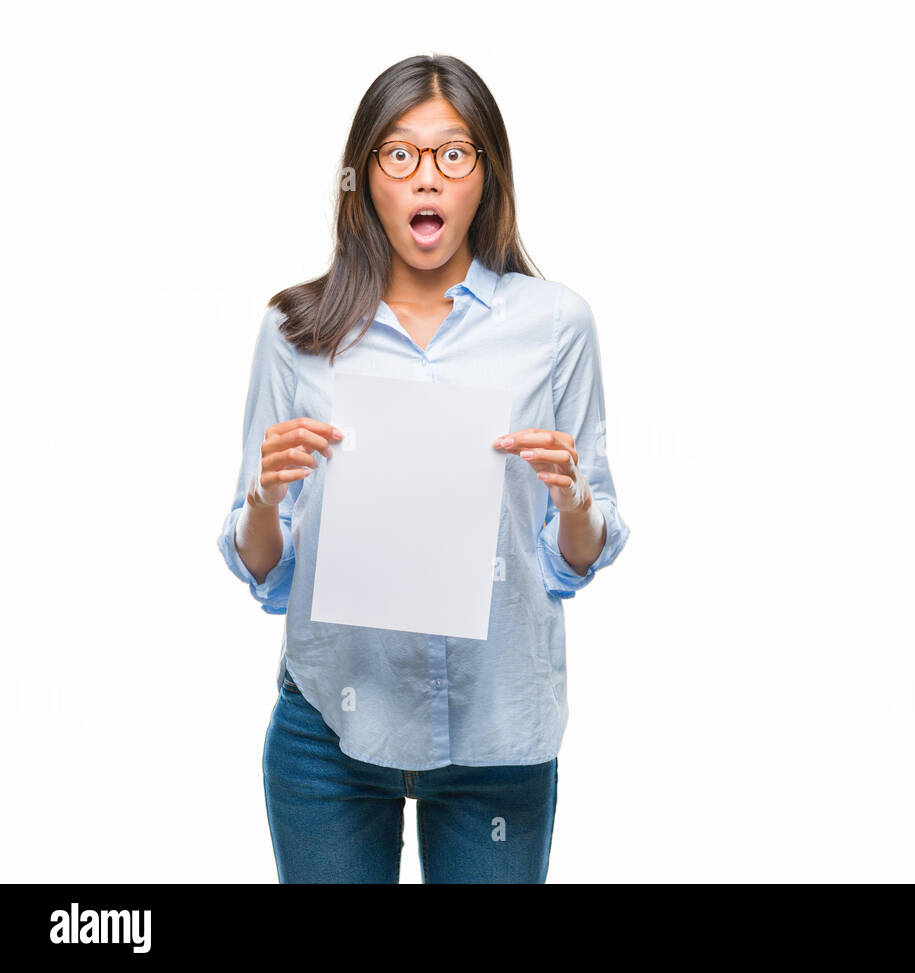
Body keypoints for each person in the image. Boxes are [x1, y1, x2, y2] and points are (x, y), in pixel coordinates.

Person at [215, 53, 630, 883]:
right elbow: (265, 571)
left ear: (487, 175)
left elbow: (576, 554)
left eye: (454, 154)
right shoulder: (296, 331)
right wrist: (264, 497)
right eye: (399, 155)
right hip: (330, 733)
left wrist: (575, 499)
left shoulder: (555, 327)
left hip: (497, 738)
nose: (426, 179)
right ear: (365, 178)